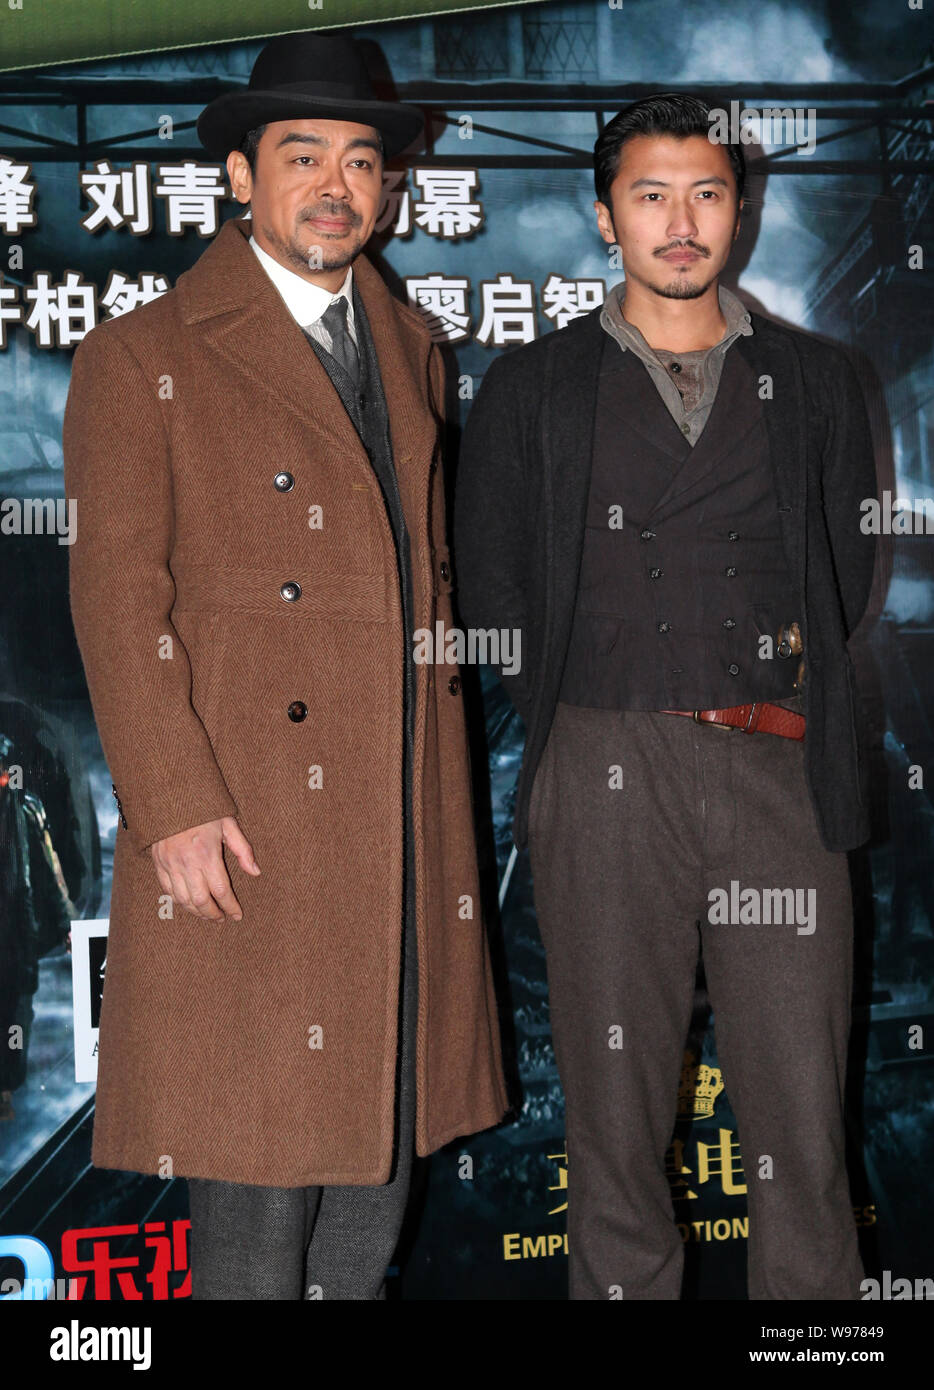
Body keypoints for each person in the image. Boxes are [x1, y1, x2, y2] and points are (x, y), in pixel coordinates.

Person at [63, 31, 508, 1301]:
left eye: (361, 161)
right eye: (301, 156)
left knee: (370, 1206)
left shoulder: (415, 348)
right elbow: (114, 600)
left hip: (400, 839)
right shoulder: (145, 354)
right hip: (250, 828)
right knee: (257, 1222)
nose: (335, 186)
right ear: (239, 180)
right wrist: (174, 802)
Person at [454, 93, 877, 1300]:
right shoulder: (532, 388)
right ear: (604, 216)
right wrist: (605, 697)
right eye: (650, 195)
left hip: (778, 771)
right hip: (602, 770)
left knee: (802, 1116)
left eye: (704, 194)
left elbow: (848, 571)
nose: (680, 222)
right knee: (614, 1124)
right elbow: (495, 583)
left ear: (736, 211)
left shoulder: (815, 379)